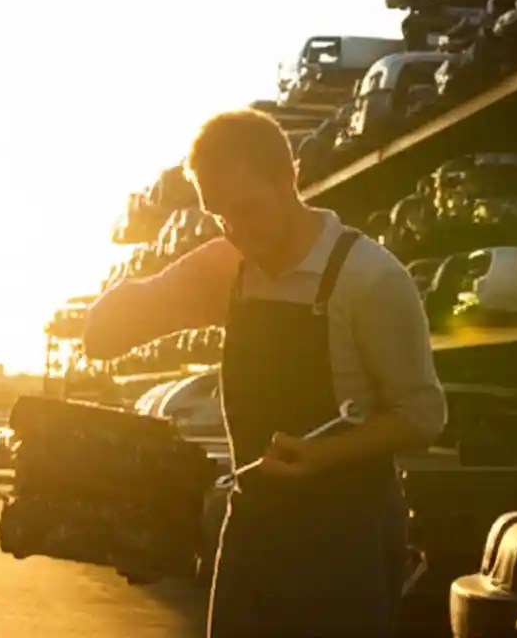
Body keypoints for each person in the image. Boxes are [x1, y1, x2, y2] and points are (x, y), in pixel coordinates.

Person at [84, 109, 446, 637]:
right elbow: (102, 337)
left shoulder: (369, 279)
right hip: (252, 524)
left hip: (347, 538)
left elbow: (422, 415)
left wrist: (319, 454)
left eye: (248, 209)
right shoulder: (230, 268)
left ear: (289, 180)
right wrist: (144, 293)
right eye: (219, 215)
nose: (237, 230)